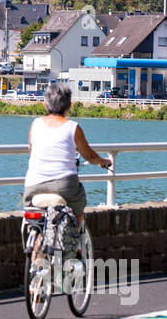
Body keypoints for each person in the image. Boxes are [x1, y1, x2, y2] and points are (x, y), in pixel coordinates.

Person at [23, 83, 112, 260]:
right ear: (69, 106)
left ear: (44, 104)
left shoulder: (35, 124)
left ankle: (36, 272)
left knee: (39, 221)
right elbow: (89, 155)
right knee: (78, 207)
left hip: (33, 185)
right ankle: (74, 241)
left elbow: (32, 150)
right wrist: (103, 162)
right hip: (64, 184)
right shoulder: (73, 127)